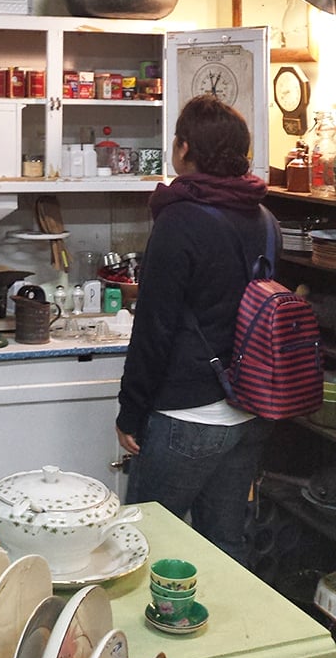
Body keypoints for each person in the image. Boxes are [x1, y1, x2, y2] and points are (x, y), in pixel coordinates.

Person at [115, 94, 278, 565]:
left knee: (142, 547)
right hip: (250, 413)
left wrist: (131, 412)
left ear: (184, 148)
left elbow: (154, 328)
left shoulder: (179, 221)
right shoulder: (266, 219)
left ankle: (148, 640)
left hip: (188, 416)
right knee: (225, 549)